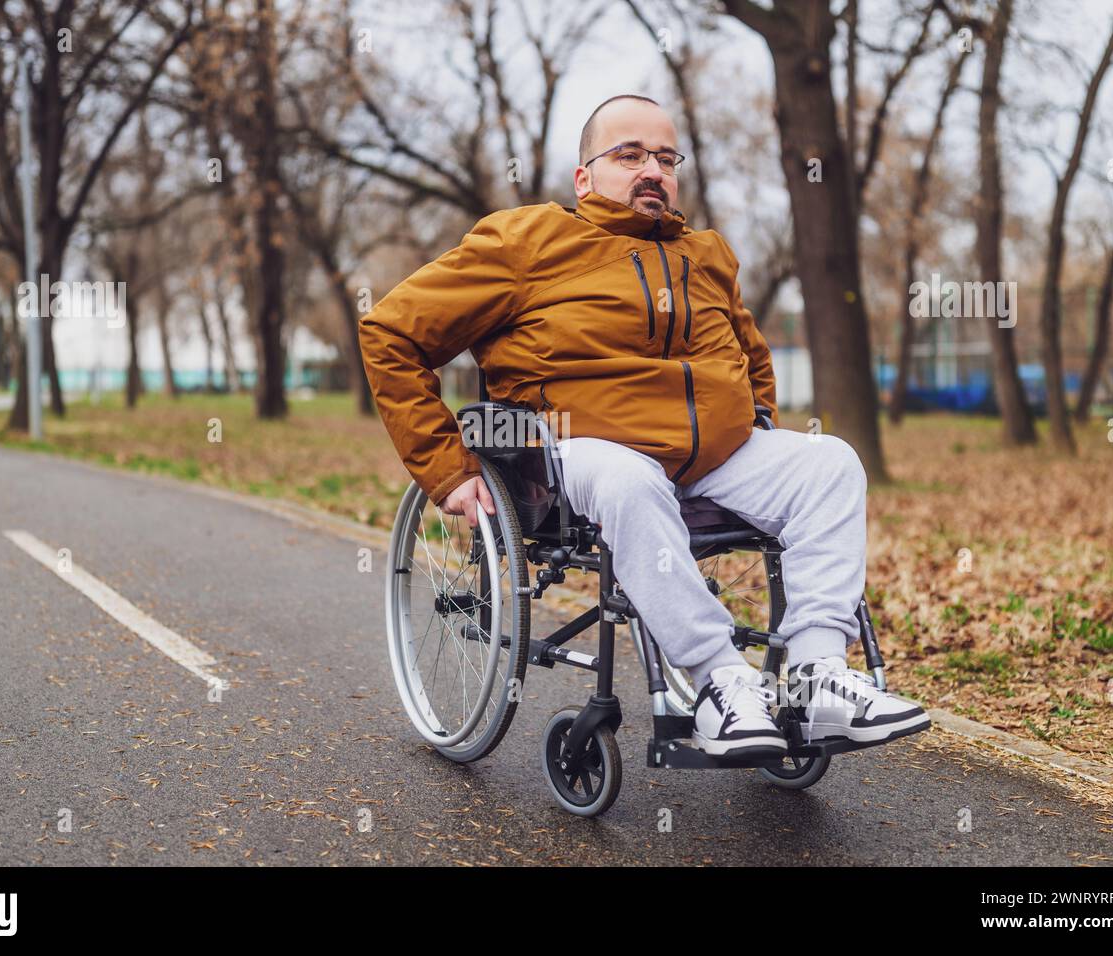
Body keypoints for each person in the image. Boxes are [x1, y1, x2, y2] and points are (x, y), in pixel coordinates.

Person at [359, 93, 929, 757]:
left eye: (664, 157)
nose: (650, 169)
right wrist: (446, 468)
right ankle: (719, 680)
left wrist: (759, 421)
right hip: (579, 448)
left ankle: (815, 678)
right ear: (584, 177)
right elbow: (390, 333)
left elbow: (749, 359)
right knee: (633, 479)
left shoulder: (707, 255)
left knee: (831, 461)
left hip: (712, 458)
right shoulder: (525, 243)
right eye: (628, 155)